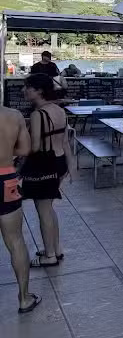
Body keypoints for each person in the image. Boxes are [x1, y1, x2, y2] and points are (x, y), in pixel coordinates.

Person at [20, 73, 75, 269]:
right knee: (49, 208)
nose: (24, 91)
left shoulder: (37, 115)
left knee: (43, 210)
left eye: (28, 87)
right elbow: (66, 141)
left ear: (40, 91)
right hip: (58, 161)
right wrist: (71, 167)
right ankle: (55, 248)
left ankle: (49, 255)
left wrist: (15, 151)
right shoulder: (59, 111)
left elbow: (34, 147)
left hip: (43, 164)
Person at [0, 104, 38, 313]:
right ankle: (24, 298)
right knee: (15, 240)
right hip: (6, 178)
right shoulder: (13, 116)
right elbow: (24, 150)